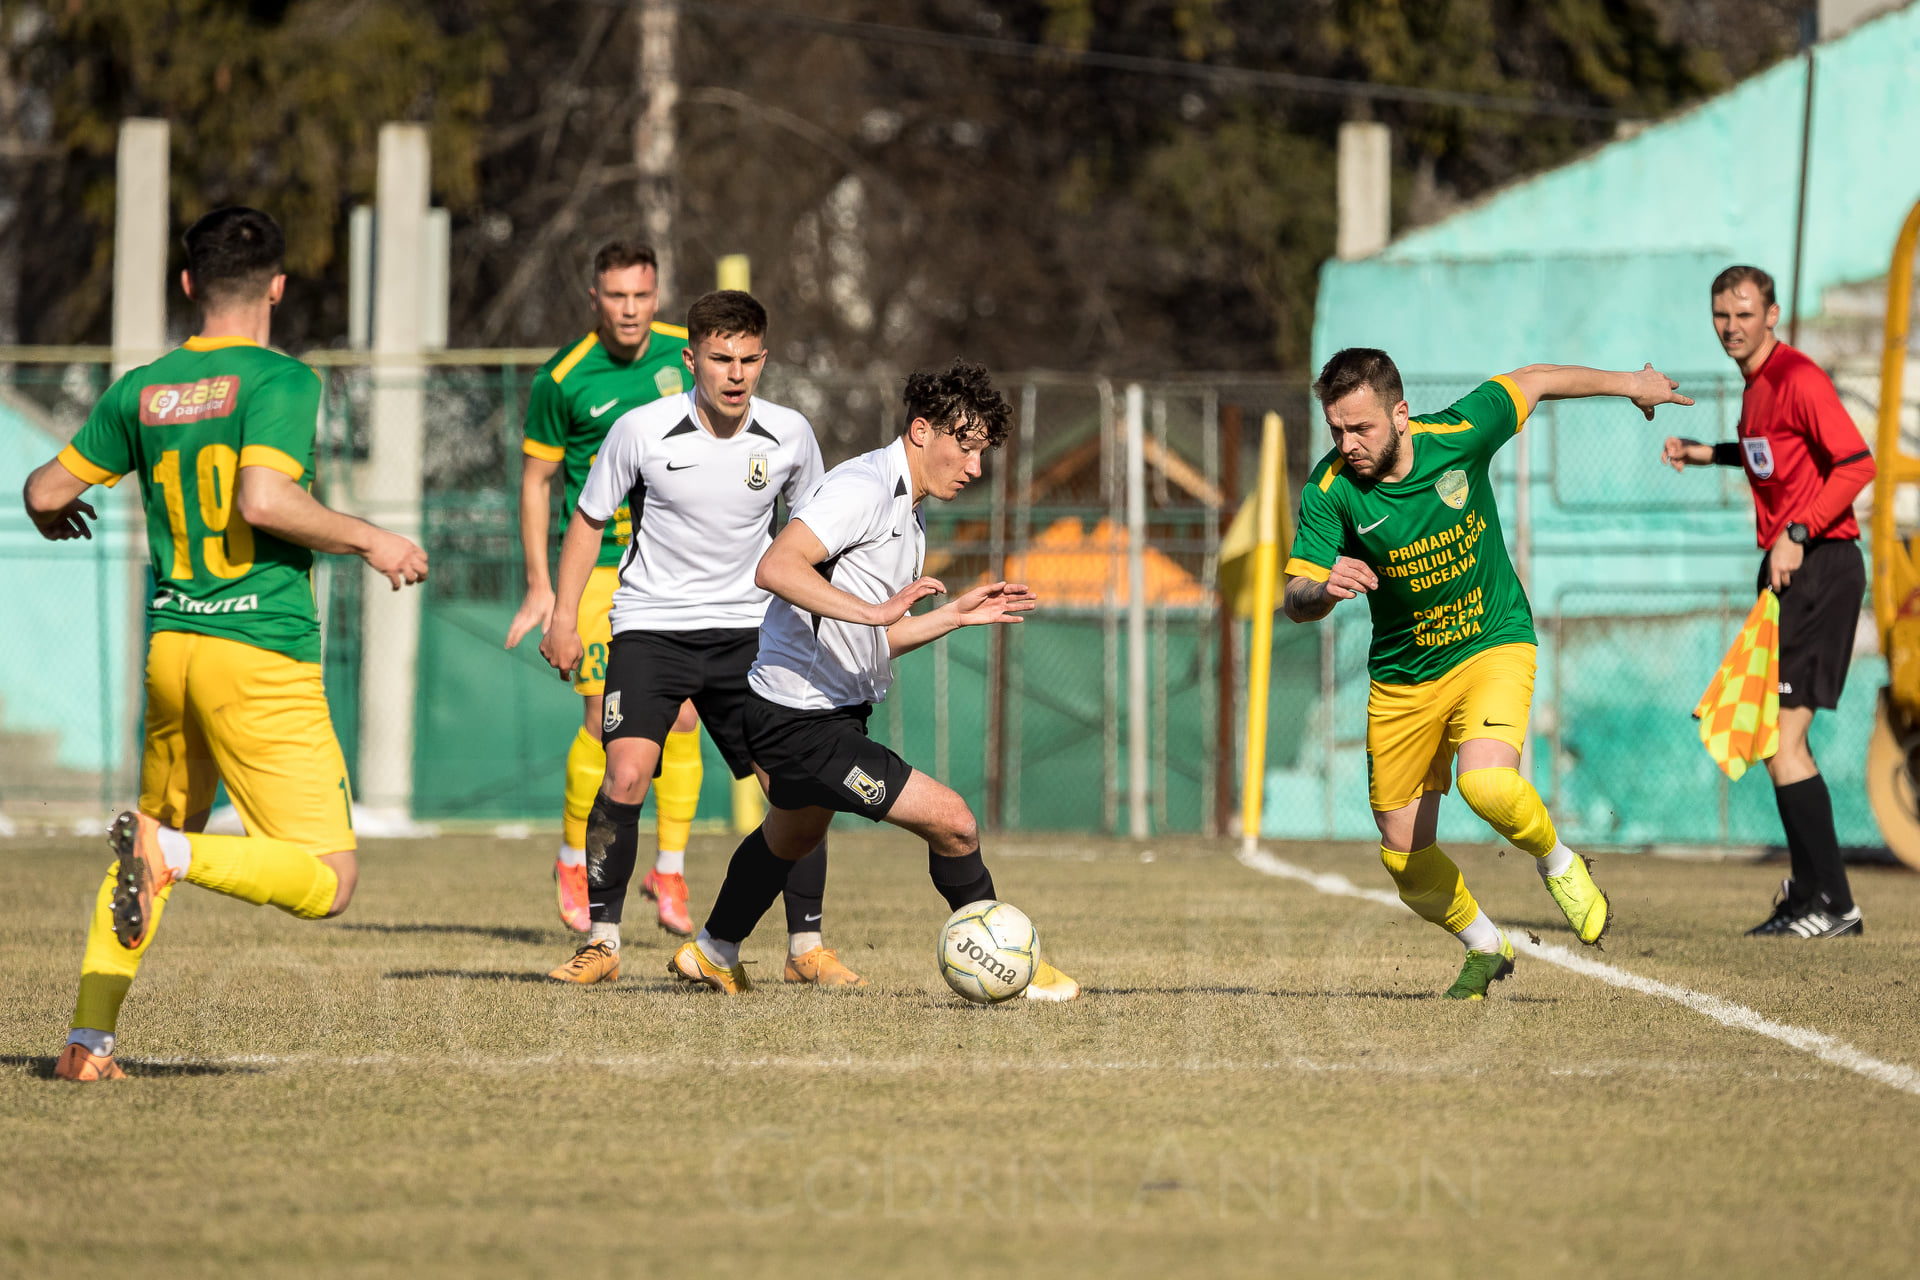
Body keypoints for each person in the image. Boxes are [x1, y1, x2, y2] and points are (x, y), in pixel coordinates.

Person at [20, 206, 428, 1080]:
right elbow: (265, 502)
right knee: (328, 879)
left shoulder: (144, 388)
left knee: (154, 833)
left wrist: (46, 517)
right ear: (278, 286)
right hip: (257, 653)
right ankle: (172, 857)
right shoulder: (282, 381)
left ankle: (87, 1044)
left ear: (187, 285)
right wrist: (373, 539)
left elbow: (46, 489)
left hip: (174, 651)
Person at [666, 358, 1080, 1001]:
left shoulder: (908, 513)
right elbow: (776, 566)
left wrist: (951, 617)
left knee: (791, 834)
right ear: (921, 431)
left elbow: (872, 640)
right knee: (956, 821)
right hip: (799, 721)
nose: (975, 467)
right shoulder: (861, 488)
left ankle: (714, 951)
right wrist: (875, 609)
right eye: (965, 447)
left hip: (819, 713)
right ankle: (1012, 969)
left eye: (982, 452)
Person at [1284, 348, 1692, 997]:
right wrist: (1322, 588)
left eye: (1360, 428)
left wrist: (1632, 384)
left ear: (1400, 414)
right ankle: (1486, 945)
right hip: (1402, 680)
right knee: (1404, 861)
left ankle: (1560, 863)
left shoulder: (1461, 432)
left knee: (1489, 785)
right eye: (1336, 429)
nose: (1347, 443)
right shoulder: (1329, 491)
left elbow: (1536, 380)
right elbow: (1295, 598)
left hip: (1491, 642)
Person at [538, 290, 859, 986]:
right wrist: (564, 617)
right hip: (651, 630)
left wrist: (826, 617)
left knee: (796, 787)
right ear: (691, 359)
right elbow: (588, 520)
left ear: (764, 359)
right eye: (720, 358)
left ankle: (806, 947)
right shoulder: (640, 430)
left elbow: (813, 538)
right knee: (623, 774)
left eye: (748, 359)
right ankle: (602, 941)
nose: (735, 373)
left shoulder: (792, 435)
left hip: (753, 635)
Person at [1662, 265, 1876, 938]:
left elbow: (1855, 463)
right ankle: (1812, 892)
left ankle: (1833, 902)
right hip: (1789, 571)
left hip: (1820, 566)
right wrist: (1706, 454)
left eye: (1745, 313)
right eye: (1722, 315)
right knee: (1769, 739)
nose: (1732, 326)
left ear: (1773, 315)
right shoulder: (1757, 389)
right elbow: (1771, 457)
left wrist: (1797, 532)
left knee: (1783, 739)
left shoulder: (1797, 377)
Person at [506, 240, 711, 937]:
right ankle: (572, 859)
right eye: (616, 296)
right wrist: (542, 587)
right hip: (596, 573)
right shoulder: (562, 379)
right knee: (606, 724)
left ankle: (671, 869)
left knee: (684, 721)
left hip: (675, 569)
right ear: (594, 297)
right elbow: (537, 483)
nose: (630, 310)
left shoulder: (690, 353)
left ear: (658, 296)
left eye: (642, 296)